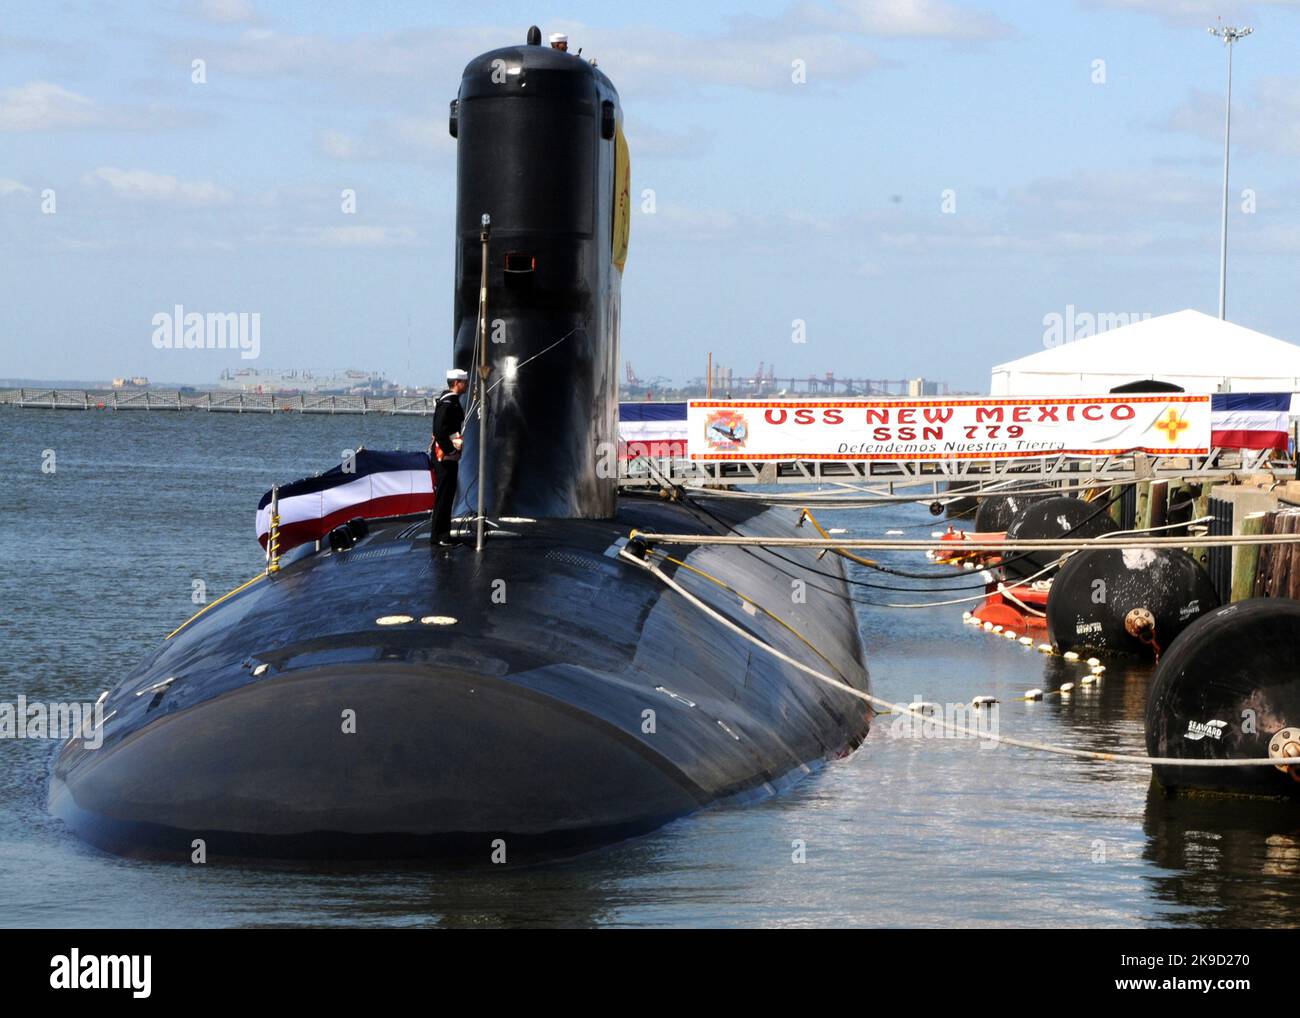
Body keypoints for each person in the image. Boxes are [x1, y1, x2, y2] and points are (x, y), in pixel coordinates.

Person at [431, 368, 468, 546]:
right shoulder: (447, 404)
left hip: (449, 456)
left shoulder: (451, 402)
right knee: (444, 495)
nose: (466, 385)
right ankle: (439, 535)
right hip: (445, 456)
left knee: (448, 494)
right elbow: (439, 431)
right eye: (464, 382)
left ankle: (443, 533)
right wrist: (451, 450)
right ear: (456, 383)